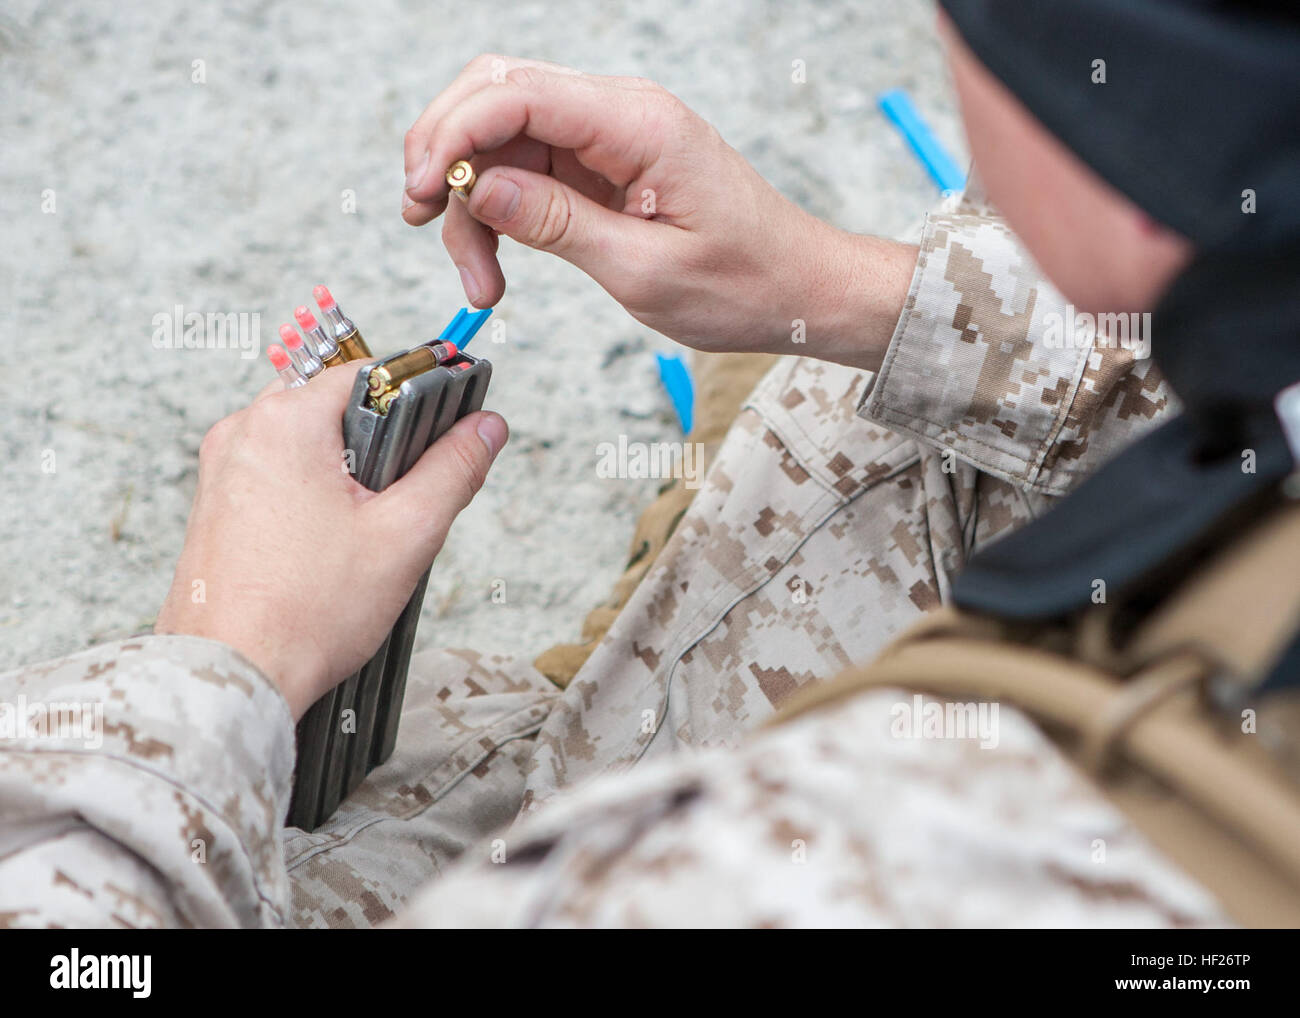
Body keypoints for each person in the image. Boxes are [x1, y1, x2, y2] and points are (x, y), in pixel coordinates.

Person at [2, 0, 1294, 927]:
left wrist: (212, 664)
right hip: (607, 746)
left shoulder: (733, 883)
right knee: (866, 420)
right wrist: (834, 294)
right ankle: (634, 642)